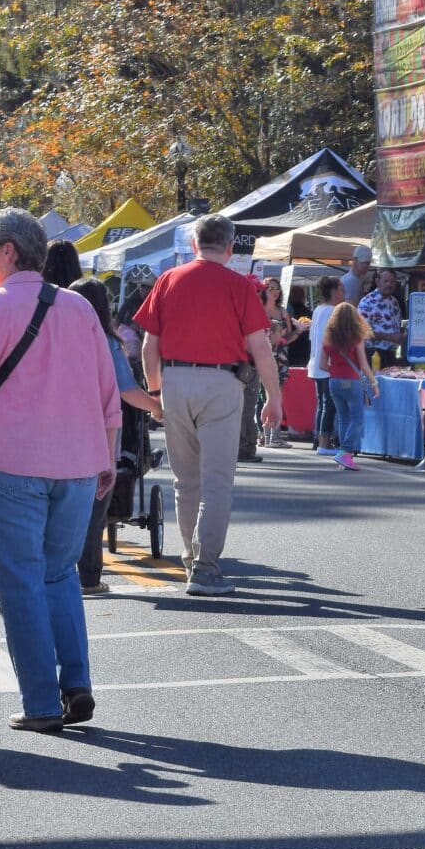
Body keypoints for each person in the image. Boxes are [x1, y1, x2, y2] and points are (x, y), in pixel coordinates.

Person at [0, 209, 118, 732]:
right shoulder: (78, 307)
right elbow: (108, 394)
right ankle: (76, 683)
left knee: (20, 583)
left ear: (9, 250)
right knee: (60, 577)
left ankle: (40, 702)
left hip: (10, 461)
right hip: (79, 462)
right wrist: (107, 454)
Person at [135, 214, 283, 596]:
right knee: (217, 481)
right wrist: (273, 397)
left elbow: (150, 344)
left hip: (175, 380)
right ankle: (205, 567)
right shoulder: (238, 286)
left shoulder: (169, 279)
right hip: (222, 382)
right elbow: (260, 348)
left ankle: (190, 559)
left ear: (195, 244)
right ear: (231, 247)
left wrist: (155, 393)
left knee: (187, 482)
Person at [70, 276, 163, 594]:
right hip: (97, 435)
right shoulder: (106, 342)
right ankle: (89, 578)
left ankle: (57, 574)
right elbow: (126, 390)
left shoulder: (56, 336)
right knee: (94, 510)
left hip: (55, 433)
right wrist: (157, 407)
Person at [318, 302, 378, 471]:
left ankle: (344, 455)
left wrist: (336, 371)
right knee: (357, 419)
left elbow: (322, 365)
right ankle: (345, 452)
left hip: (333, 381)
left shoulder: (328, 339)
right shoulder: (356, 338)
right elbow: (364, 365)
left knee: (343, 418)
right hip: (352, 381)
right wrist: (374, 383)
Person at [258, 277, 302, 448]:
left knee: (277, 395)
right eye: (270, 288)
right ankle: (265, 433)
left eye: (277, 288)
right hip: (262, 352)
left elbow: (287, 336)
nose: (275, 291)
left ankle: (272, 435)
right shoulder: (259, 309)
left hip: (281, 355)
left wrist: (298, 332)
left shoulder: (283, 312)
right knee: (264, 395)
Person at [305, 275, 344, 453]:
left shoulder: (319, 309)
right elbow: (330, 338)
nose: (343, 292)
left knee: (323, 403)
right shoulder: (331, 310)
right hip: (326, 362)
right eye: (341, 289)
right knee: (328, 404)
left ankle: (320, 440)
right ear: (334, 291)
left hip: (316, 361)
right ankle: (324, 442)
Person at [357, 268, 405, 366]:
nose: (389, 284)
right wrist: (389, 337)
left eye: (392, 281)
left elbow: (398, 327)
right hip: (373, 354)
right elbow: (361, 332)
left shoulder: (394, 302)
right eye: (386, 281)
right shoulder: (367, 302)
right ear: (378, 282)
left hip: (392, 355)